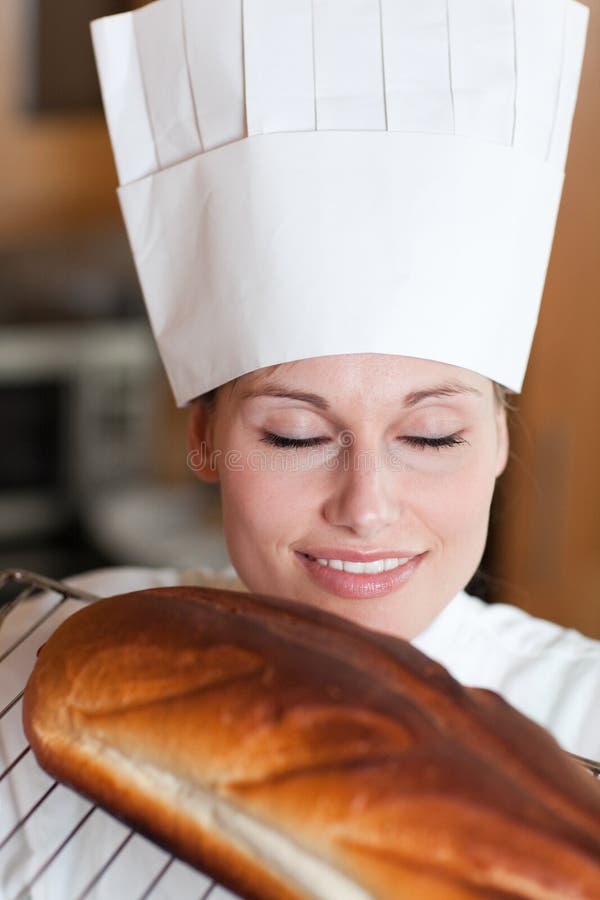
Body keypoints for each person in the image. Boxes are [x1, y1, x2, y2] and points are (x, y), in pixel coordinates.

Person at [1, 1, 599, 897]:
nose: (366, 506)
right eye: (297, 435)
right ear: (202, 438)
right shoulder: (50, 649)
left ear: (503, 441)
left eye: (432, 436)